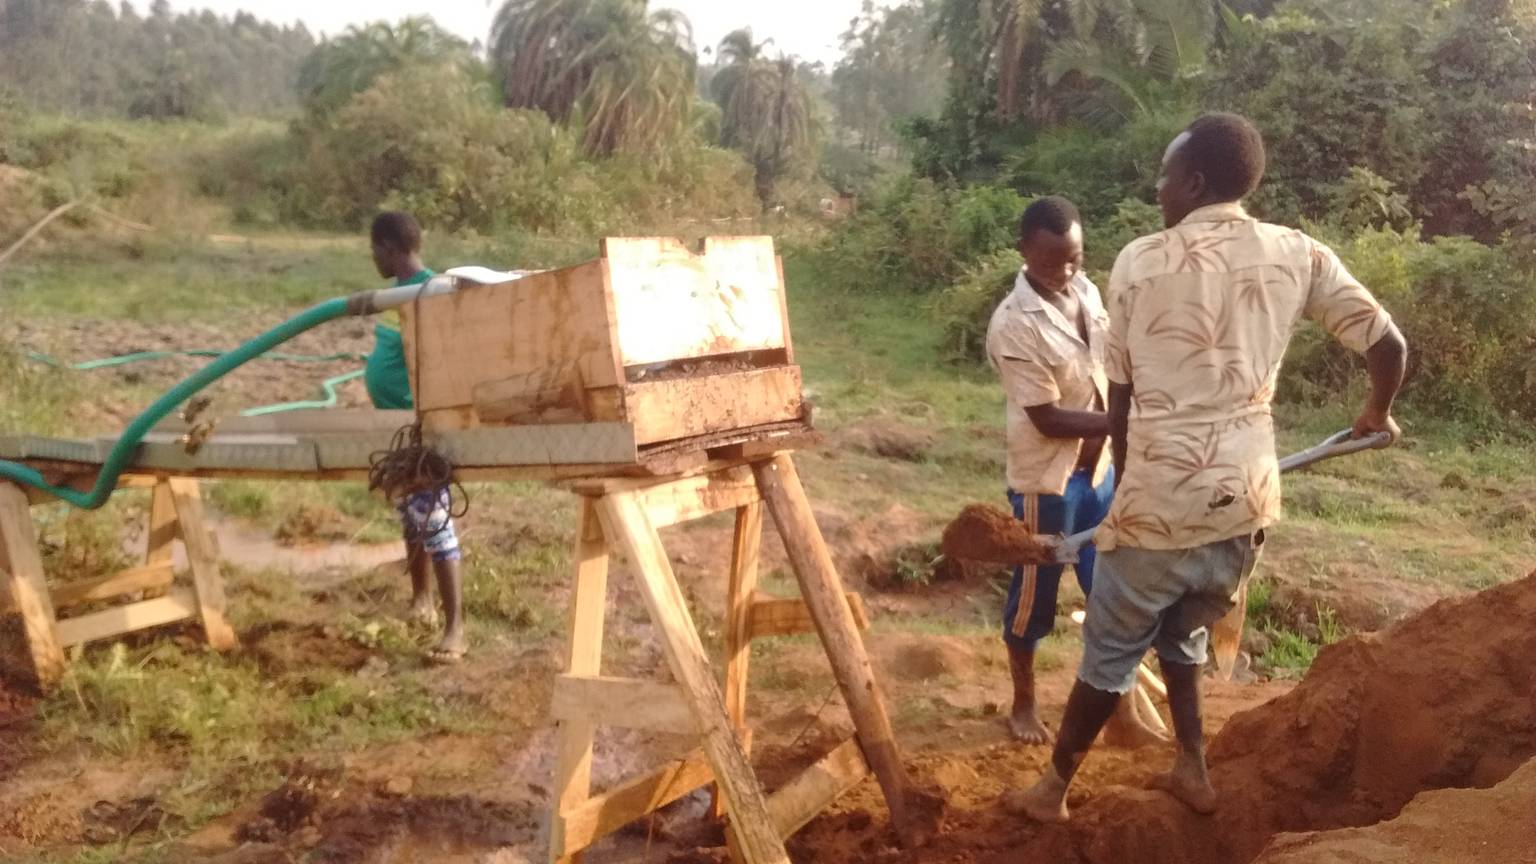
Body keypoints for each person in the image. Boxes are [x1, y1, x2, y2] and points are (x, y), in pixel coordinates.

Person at [1009, 113, 1407, 821]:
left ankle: (1052, 790)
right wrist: (1375, 412)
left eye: (1165, 175)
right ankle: (1192, 767)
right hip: (1248, 503)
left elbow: (1123, 400)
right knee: (1185, 629)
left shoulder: (1138, 261)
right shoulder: (1299, 253)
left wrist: (1129, 490)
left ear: (1192, 182)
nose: (1159, 189)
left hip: (1162, 499)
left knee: (1109, 655)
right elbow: (1387, 343)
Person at [985, 196, 1166, 748]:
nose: (1063, 272)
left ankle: (1122, 716)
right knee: (1034, 597)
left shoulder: (1086, 293)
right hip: (1049, 484)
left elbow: (1111, 362)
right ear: (1023, 252)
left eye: (1074, 259)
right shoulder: (1013, 324)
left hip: (1100, 475)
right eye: (1050, 262)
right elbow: (1045, 417)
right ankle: (1023, 705)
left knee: (1110, 591)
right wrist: (1120, 419)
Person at [365, 211, 467, 664]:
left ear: (388, 247)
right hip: (398, 426)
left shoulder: (431, 290)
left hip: (424, 427)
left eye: (374, 250)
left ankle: (456, 629)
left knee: (434, 521)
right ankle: (421, 600)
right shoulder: (397, 296)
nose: (372, 258)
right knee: (411, 516)